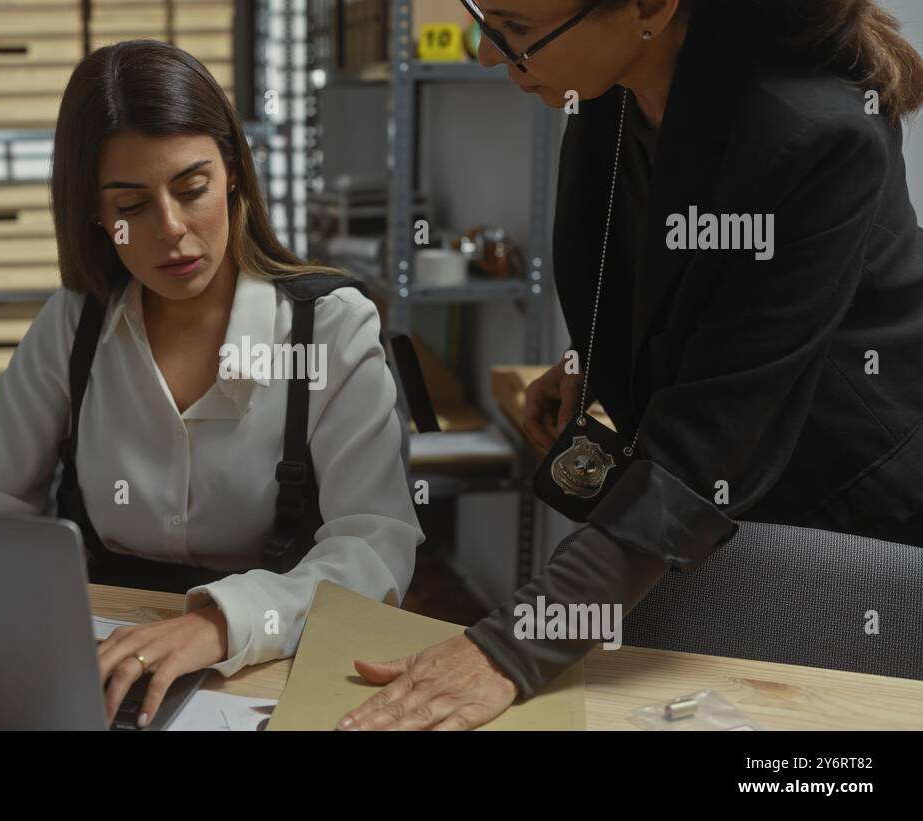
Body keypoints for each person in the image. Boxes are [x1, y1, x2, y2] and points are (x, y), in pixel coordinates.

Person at [338, 0, 923, 730]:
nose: (489, 56)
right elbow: (665, 273)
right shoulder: (616, 89)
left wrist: (509, 648)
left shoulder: (814, 134)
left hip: (842, 507)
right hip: (709, 482)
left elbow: (713, 437)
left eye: (515, 32)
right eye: (487, 22)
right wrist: (595, 360)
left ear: (649, 7)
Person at [0, 40, 424, 728]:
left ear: (234, 172)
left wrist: (219, 623)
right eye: (132, 205)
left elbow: (375, 543)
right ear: (95, 212)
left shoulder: (329, 327)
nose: (173, 231)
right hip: (105, 665)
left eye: (192, 188)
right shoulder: (75, 324)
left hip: (275, 664)